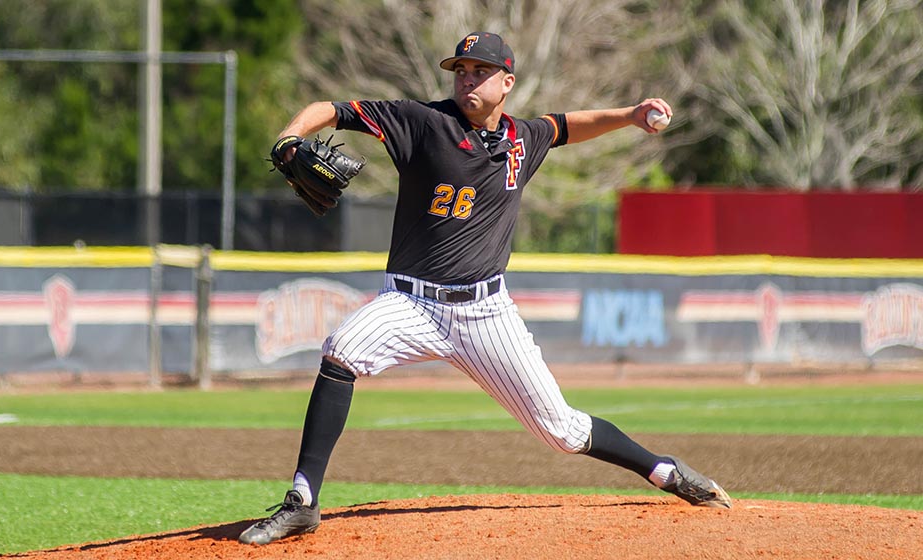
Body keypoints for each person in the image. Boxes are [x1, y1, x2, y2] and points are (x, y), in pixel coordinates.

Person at [240, 31, 731, 546]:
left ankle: (664, 472)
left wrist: (630, 115)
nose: (467, 79)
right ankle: (303, 500)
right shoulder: (423, 122)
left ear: (507, 82)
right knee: (341, 350)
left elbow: (565, 126)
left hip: (486, 315)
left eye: (479, 71)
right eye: (461, 71)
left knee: (564, 432)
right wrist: (290, 138)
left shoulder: (522, 139)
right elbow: (331, 109)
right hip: (410, 302)